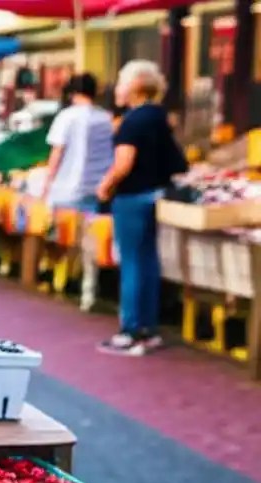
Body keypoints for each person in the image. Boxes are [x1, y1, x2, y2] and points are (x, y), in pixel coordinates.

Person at [95, 61, 187, 356]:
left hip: (131, 197)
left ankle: (130, 331)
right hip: (155, 194)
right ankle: (148, 329)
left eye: (121, 81)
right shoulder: (160, 117)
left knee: (132, 262)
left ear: (135, 86)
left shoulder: (132, 122)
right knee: (148, 261)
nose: (117, 88)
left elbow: (124, 162)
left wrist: (105, 186)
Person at [42, 73, 113, 212]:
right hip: (98, 188)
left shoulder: (66, 117)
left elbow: (57, 153)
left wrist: (47, 185)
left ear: (72, 93)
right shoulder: (106, 118)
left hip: (67, 191)